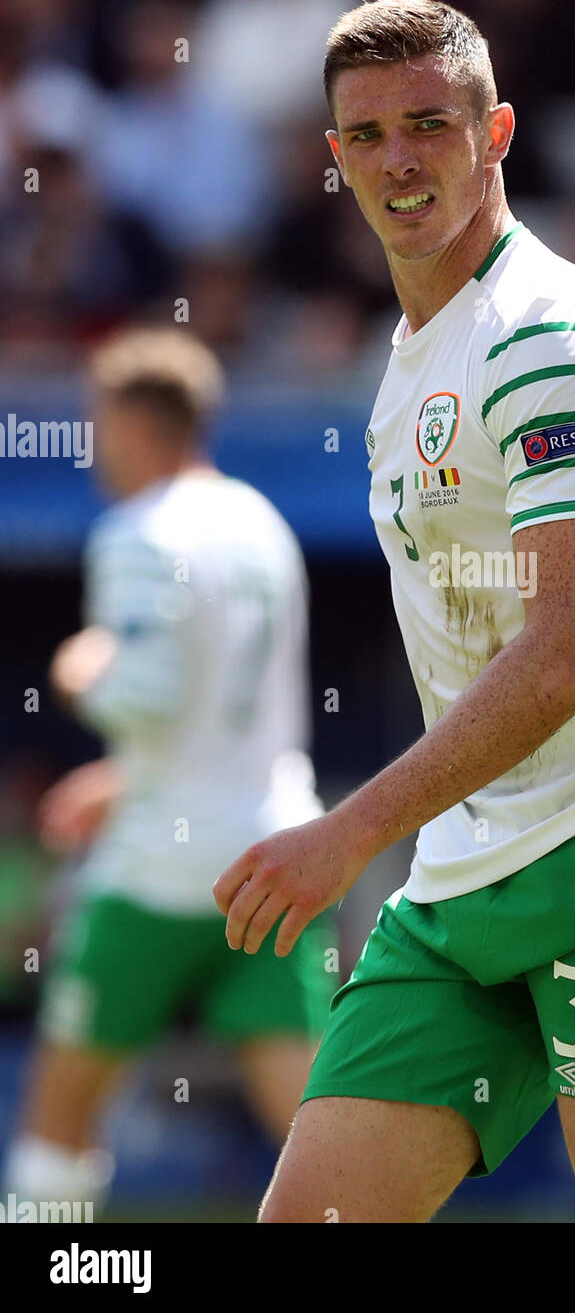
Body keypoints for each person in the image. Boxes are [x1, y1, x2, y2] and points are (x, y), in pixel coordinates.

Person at [214, 0, 575, 1224]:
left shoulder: (555, 335)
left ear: (498, 132)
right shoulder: (412, 353)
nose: (400, 158)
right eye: (367, 135)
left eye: (430, 124)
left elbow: (571, 648)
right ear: (335, 159)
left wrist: (347, 833)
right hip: (471, 873)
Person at [3, 327, 337, 1214]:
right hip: (270, 855)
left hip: (157, 870)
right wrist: (122, 782)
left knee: (60, 1112)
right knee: (316, 1130)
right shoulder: (263, 525)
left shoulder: (139, 531)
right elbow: (227, 706)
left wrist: (80, 667)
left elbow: (147, 692)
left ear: (137, 423)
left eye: (99, 423)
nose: (94, 445)